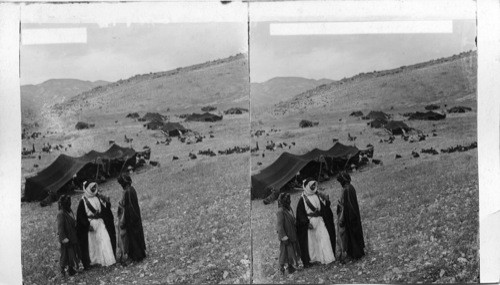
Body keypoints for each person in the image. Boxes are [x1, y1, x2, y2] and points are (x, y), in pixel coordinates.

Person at [296, 178, 336, 267]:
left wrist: (326, 200)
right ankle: (316, 259)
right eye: (312, 185)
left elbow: (324, 208)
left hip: (320, 221)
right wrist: (306, 223)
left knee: (325, 237)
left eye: (314, 185)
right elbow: (300, 214)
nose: (314, 187)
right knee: (313, 243)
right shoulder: (302, 199)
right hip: (310, 223)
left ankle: (328, 258)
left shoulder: (317, 195)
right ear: (307, 186)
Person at [76, 181, 116, 268]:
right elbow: (80, 216)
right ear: (87, 189)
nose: (94, 189)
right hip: (91, 224)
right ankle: (95, 261)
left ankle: (107, 259)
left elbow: (104, 210)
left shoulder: (98, 198)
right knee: (93, 244)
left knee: (104, 239)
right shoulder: (83, 201)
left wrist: (106, 202)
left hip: (100, 222)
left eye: (95, 187)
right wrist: (87, 225)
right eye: (92, 187)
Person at [117, 173, 146, 262]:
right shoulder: (131, 189)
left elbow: (129, 208)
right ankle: (138, 254)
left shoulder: (128, 192)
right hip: (134, 218)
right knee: (136, 235)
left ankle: (137, 256)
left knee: (133, 237)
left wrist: (125, 219)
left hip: (131, 219)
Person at [336, 171, 365, 260]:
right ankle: (355, 252)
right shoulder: (349, 188)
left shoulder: (347, 189)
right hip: (351, 216)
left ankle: (356, 253)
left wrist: (343, 217)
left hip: (350, 217)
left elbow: (348, 206)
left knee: (352, 234)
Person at [276, 193, 301, 275]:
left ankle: (290, 267)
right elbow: (279, 226)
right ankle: (281, 268)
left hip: (291, 233)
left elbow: (292, 218)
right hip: (286, 236)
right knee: (284, 253)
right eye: (287, 200)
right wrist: (283, 237)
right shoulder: (280, 211)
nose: (289, 201)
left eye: (289, 200)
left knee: (291, 251)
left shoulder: (288, 209)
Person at [57, 195, 81, 276]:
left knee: (72, 254)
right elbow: (60, 228)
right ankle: (62, 271)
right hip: (66, 238)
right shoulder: (61, 213)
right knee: (64, 255)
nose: (69, 205)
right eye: (68, 203)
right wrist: (63, 238)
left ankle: (71, 269)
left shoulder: (68, 211)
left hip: (72, 236)